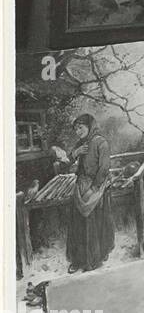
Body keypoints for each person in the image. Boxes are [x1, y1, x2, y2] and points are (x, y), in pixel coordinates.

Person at [51, 114, 114, 273]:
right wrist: (75, 153)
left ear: (90, 126)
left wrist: (94, 188)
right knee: (78, 223)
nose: (78, 131)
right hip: (81, 186)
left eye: (81, 127)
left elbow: (104, 168)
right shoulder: (80, 144)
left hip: (96, 187)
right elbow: (65, 166)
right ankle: (78, 259)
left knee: (92, 222)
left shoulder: (101, 142)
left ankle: (93, 260)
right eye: (76, 128)